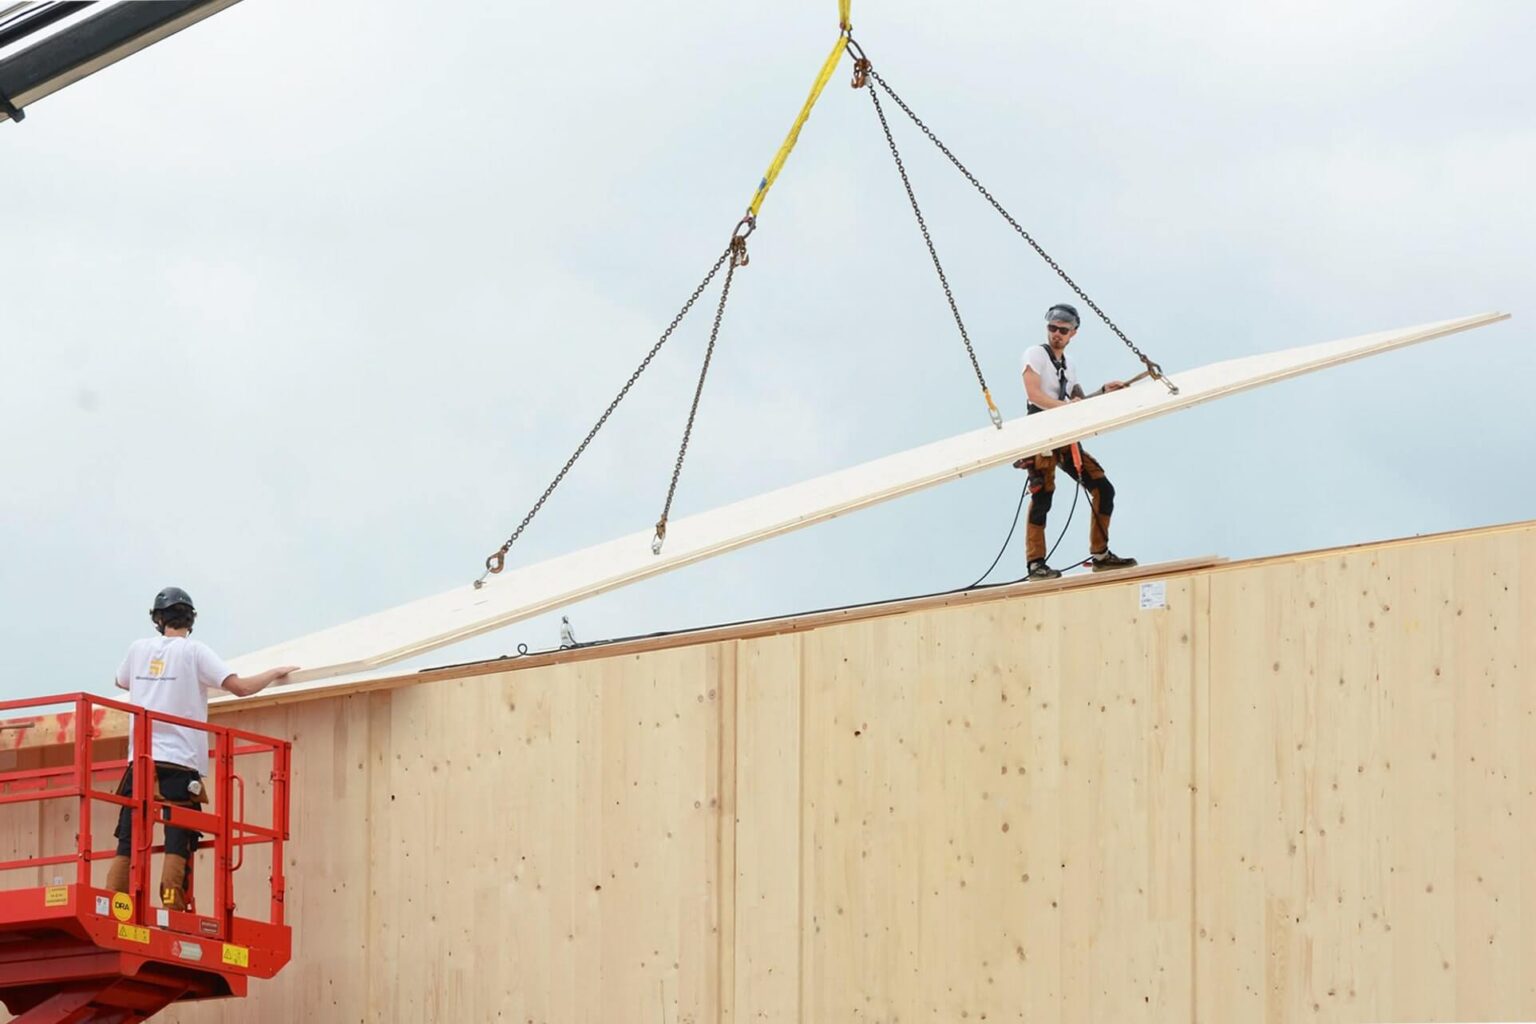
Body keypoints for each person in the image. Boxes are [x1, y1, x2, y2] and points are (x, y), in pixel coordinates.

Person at [104, 587, 297, 909]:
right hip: (180, 763)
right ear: (190, 620)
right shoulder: (195, 653)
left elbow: (121, 681)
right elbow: (241, 688)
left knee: (128, 838)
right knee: (179, 839)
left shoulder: (138, 649)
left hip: (140, 762)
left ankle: (114, 905)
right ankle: (171, 907)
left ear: (157, 619)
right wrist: (275, 671)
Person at [1015, 303, 1139, 580]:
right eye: (1052, 328)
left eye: (1063, 330)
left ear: (1073, 333)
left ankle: (1101, 555)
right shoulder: (1035, 354)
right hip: (1041, 431)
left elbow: (1078, 400)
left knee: (1103, 489)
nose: (1056, 334)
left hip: (1064, 432)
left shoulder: (1069, 364)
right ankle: (1035, 564)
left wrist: (1103, 392)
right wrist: (1068, 409)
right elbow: (1035, 396)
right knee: (1043, 495)